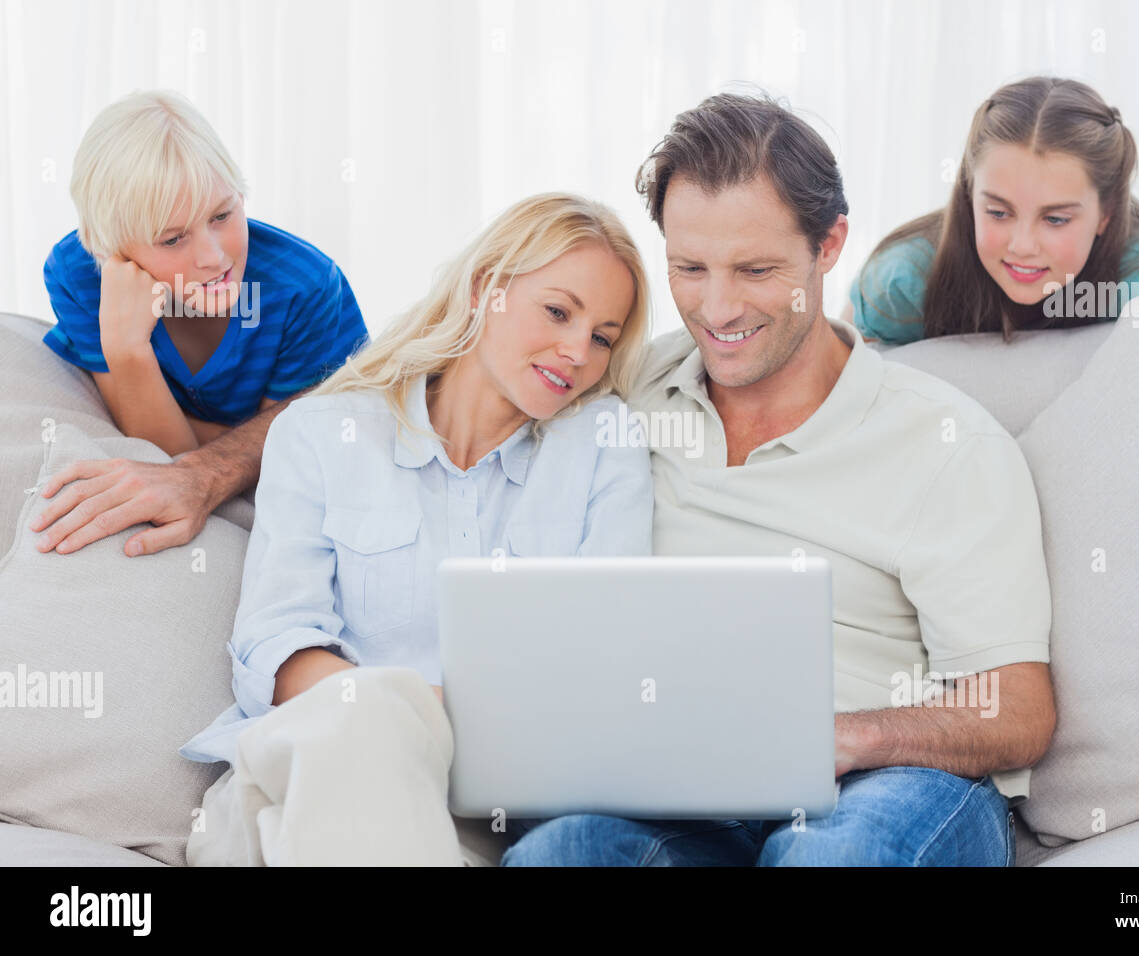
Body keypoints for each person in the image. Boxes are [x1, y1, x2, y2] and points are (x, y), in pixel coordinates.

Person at [501, 92, 1055, 867]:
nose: (717, 307)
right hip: (685, 788)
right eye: (689, 269)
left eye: (756, 270)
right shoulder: (627, 388)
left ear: (829, 246)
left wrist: (848, 736)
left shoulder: (946, 443)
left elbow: (1018, 712)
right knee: (558, 855)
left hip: (888, 781)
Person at [180, 192, 654, 866]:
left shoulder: (603, 444)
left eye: (604, 336)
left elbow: (606, 657)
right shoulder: (325, 433)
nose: (579, 350)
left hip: (487, 817)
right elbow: (274, 644)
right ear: (485, 290)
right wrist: (413, 715)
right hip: (313, 773)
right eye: (558, 311)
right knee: (369, 718)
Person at [31, 90, 368, 557]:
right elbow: (163, 455)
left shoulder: (304, 286)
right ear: (114, 251)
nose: (214, 257)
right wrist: (127, 349)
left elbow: (288, 460)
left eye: (223, 215)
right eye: (173, 239)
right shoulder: (79, 274)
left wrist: (236, 440)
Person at [840, 76, 1139, 344]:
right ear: (970, 195)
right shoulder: (906, 283)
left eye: (1056, 219)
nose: (1022, 245)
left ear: (1106, 212)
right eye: (998, 213)